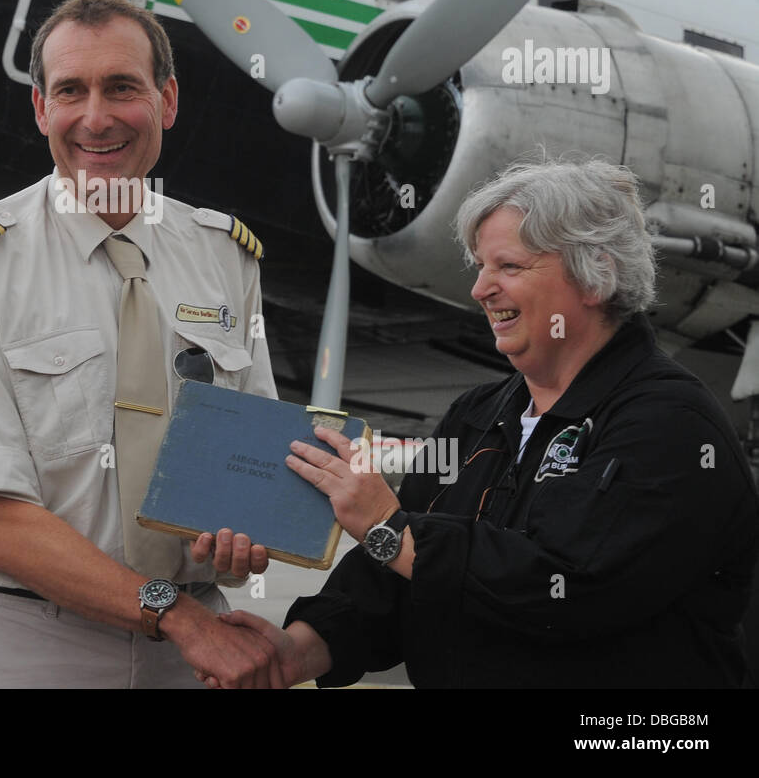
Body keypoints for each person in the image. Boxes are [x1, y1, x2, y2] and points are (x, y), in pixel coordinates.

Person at [222, 156, 759, 689]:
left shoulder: (671, 427)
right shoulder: (476, 416)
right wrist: (300, 650)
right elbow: (393, 582)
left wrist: (390, 529)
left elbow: (566, 591)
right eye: (480, 266)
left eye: (510, 267)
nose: (481, 289)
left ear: (596, 277)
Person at [0, 0, 283, 688]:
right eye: (71, 92)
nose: (96, 117)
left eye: (122, 88)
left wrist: (243, 529)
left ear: (167, 99)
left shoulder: (225, 255)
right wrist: (172, 613)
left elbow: (251, 460)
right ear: (40, 109)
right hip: (35, 645)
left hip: (198, 650)